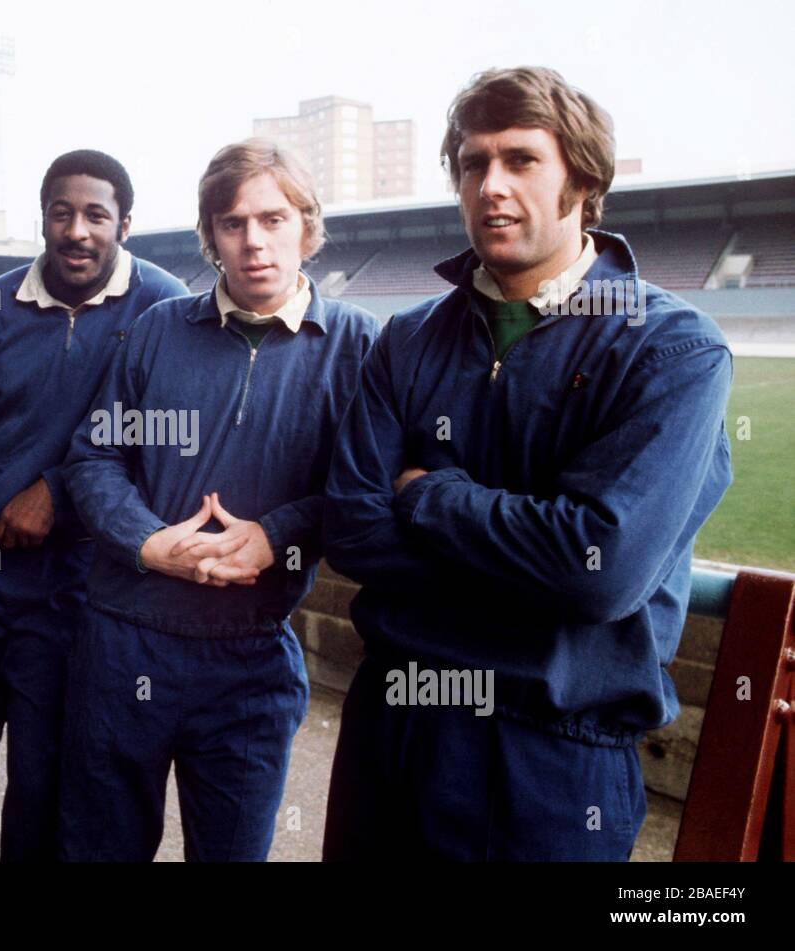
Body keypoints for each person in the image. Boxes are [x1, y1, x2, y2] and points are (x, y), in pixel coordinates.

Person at [321, 67, 733, 861]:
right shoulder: (406, 338)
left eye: (520, 160)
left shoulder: (672, 347)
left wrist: (432, 495)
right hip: (394, 724)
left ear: (581, 177)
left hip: (548, 752)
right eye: (472, 164)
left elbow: (599, 568)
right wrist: (528, 564)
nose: (490, 185)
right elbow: (352, 529)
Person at [58, 140, 379, 861]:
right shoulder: (157, 329)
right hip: (123, 637)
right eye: (232, 223)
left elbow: (363, 492)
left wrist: (275, 534)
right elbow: (93, 455)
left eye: (272, 217)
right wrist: (148, 542)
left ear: (305, 223)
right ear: (211, 236)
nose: (254, 241)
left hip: (251, 655)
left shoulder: (359, 344)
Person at [0, 149, 188, 861]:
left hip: (72, 580)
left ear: (125, 221)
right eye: (61, 212)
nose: (77, 230)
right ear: (43, 218)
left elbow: (154, 438)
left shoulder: (162, 303)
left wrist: (59, 489)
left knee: (45, 778)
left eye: (96, 214)